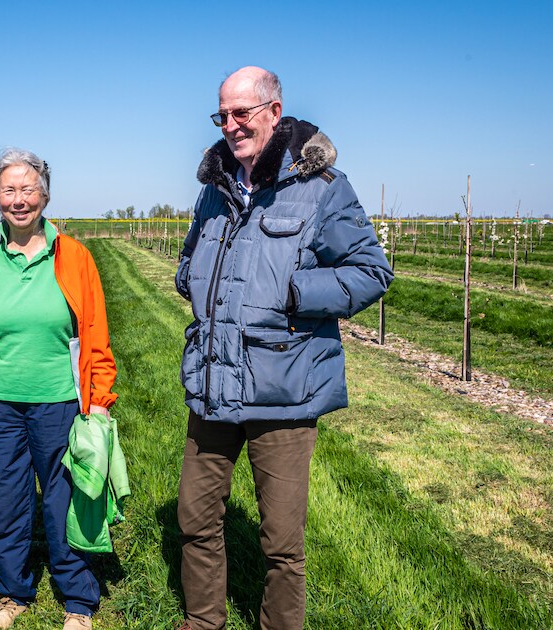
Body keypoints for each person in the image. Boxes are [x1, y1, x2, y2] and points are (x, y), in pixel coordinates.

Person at [174, 67, 393, 630]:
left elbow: (371, 271)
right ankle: (203, 622)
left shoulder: (322, 188)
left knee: (281, 543)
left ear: (275, 110)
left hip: (284, 388)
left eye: (242, 112)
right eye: (221, 115)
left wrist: (295, 290)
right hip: (214, 383)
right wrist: (190, 280)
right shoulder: (215, 188)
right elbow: (194, 255)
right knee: (195, 518)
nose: (231, 125)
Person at [0, 149, 117, 630]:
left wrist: (99, 400)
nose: (18, 200)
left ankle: (78, 600)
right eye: (9, 190)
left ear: (44, 195)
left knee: (65, 500)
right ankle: (14, 593)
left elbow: (96, 333)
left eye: (27, 189)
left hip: (62, 402)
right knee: (4, 500)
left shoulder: (75, 257)